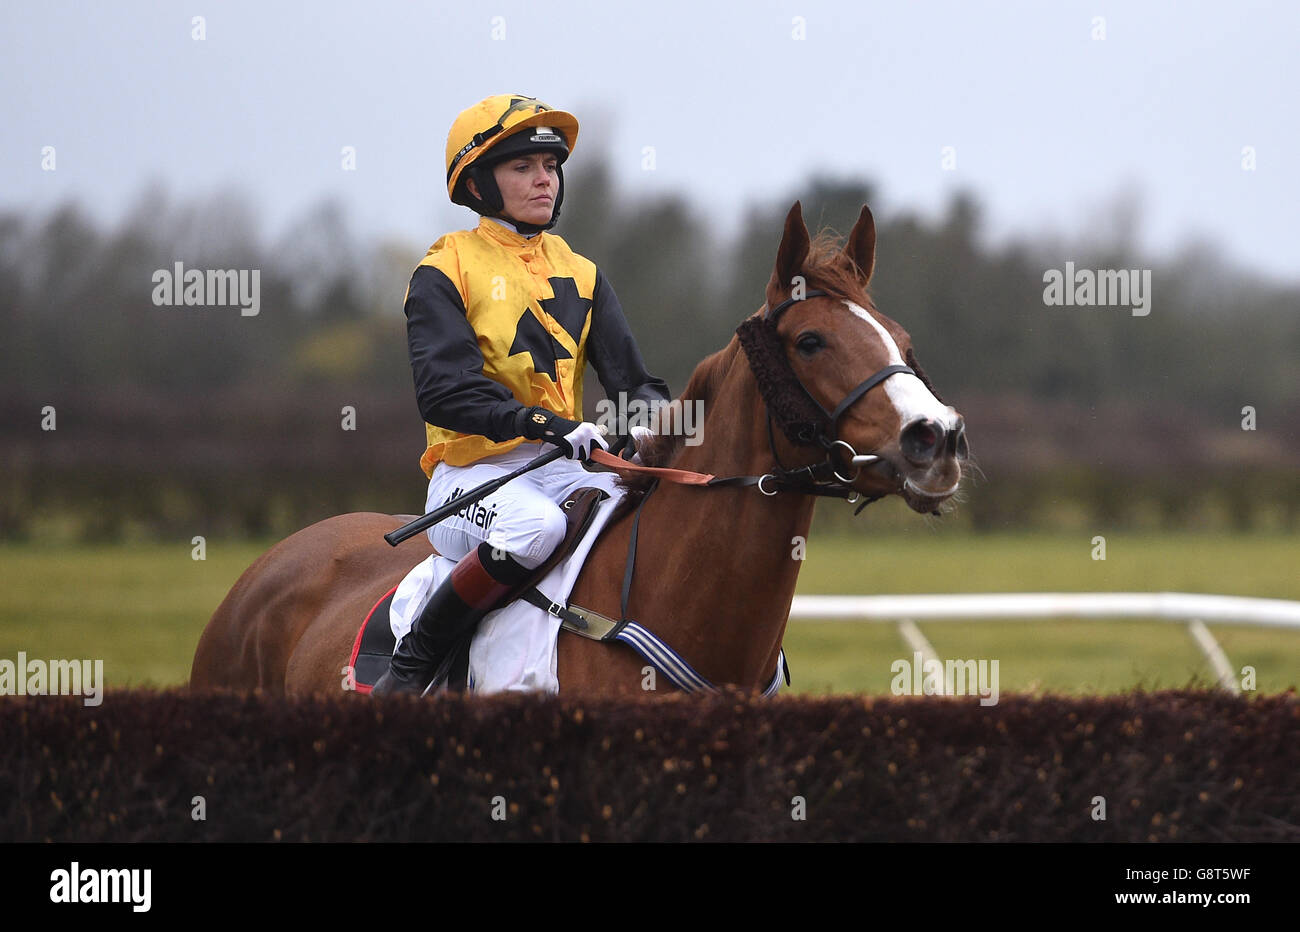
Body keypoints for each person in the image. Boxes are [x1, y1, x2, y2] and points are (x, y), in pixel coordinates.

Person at [373, 94, 671, 696]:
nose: (545, 180)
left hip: (561, 470)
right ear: (480, 181)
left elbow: (634, 382)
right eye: (523, 167)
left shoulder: (582, 272)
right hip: (469, 480)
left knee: (655, 517)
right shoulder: (444, 267)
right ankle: (411, 670)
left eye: (552, 167)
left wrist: (650, 422)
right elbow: (445, 393)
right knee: (534, 529)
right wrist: (545, 426)